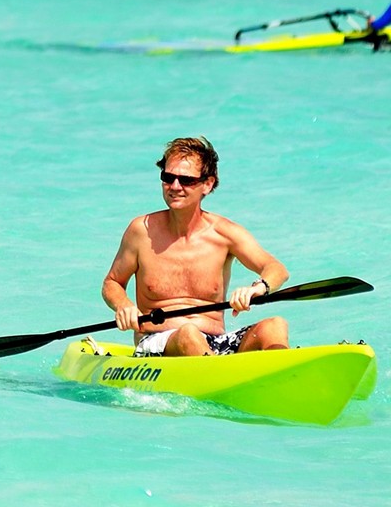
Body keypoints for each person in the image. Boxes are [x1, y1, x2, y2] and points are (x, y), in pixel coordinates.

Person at [101, 137, 291, 357]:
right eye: (168, 177)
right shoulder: (141, 231)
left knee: (275, 326)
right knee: (188, 334)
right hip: (157, 342)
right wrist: (123, 305)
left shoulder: (225, 233)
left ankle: (286, 376)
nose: (175, 186)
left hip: (215, 344)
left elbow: (276, 269)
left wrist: (257, 288)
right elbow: (112, 282)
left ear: (207, 184)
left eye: (186, 180)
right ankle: (222, 380)